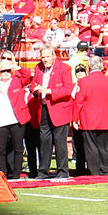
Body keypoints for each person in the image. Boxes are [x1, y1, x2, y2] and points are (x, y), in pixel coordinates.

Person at [29, 46, 74, 179]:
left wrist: (49, 91)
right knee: (44, 141)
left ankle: (62, 171)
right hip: (42, 109)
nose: (45, 59)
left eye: (47, 56)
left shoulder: (65, 68)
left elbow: (67, 89)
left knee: (60, 142)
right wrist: (35, 89)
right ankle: (43, 171)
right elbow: (32, 85)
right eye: (43, 57)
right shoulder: (38, 68)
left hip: (59, 109)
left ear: (54, 56)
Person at [73, 56, 108, 176]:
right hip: (104, 117)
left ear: (89, 67)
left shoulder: (83, 81)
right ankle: (106, 170)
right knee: (104, 146)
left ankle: (94, 171)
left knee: (90, 147)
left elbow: (78, 101)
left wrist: (75, 119)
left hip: (88, 118)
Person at [0, 58, 30, 180]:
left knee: (18, 148)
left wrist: (17, 67)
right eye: (3, 71)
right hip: (0, 120)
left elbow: (27, 74)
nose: (6, 73)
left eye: (8, 70)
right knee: (0, 149)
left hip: (16, 120)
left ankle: (16, 175)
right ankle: (3, 175)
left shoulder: (16, 81)